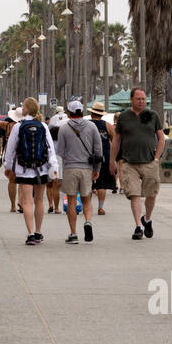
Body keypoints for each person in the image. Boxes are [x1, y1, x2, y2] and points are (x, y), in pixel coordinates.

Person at [110, 87, 165, 240]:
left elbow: (161, 138)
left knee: (151, 194)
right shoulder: (124, 117)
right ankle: (138, 227)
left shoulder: (152, 115)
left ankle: (147, 219)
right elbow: (116, 140)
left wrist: (156, 158)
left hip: (149, 162)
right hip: (129, 163)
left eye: (143, 99)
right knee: (134, 194)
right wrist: (112, 160)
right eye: (138, 99)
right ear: (131, 100)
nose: (141, 102)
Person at [4, 97, 60, 246]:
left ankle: (30, 234)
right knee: (39, 200)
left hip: (23, 169)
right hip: (41, 169)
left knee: (27, 201)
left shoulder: (18, 126)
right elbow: (50, 149)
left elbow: (11, 149)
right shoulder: (43, 125)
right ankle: (38, 231)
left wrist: (8, 167)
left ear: (26, 109)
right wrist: (54, 168)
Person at [55, 100, 102, 244]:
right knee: (87, 199)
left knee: (71, 201)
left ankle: (73, 233)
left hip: (70, 168)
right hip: (87, 169)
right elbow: (98, 150)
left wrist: (59, 173)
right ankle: (87, 221)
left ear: (69, 113)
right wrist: (97, 169)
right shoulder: (92, 126)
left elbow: (60, 153)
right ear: (82, 111)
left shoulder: (63, 128)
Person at [88, 102, 115, 215]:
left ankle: (87, 206)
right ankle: (100, 207)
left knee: (87, 183)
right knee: (102, 183)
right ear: (102, 114)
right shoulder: (108, 125)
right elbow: (114, 140)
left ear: (91, 114)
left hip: (88, 156)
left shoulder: (87, 124)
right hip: (104, 156)